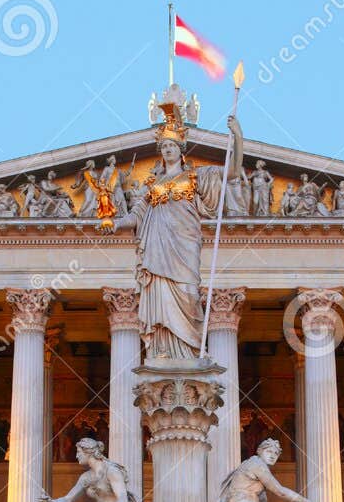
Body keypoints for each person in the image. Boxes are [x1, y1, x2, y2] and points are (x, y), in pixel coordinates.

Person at [102, 97, 244, 362]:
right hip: (157, 253)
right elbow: (137, 214)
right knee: (160, 301)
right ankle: (162, 351)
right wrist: (116, 224)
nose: (168, 150)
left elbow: (233, 173)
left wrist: (237, 136)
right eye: (164, 146)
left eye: (172, 145)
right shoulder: (152, 184)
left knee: (189, 295)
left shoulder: (197, 176)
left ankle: (189, 353)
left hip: (185, 247)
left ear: (181, 150)